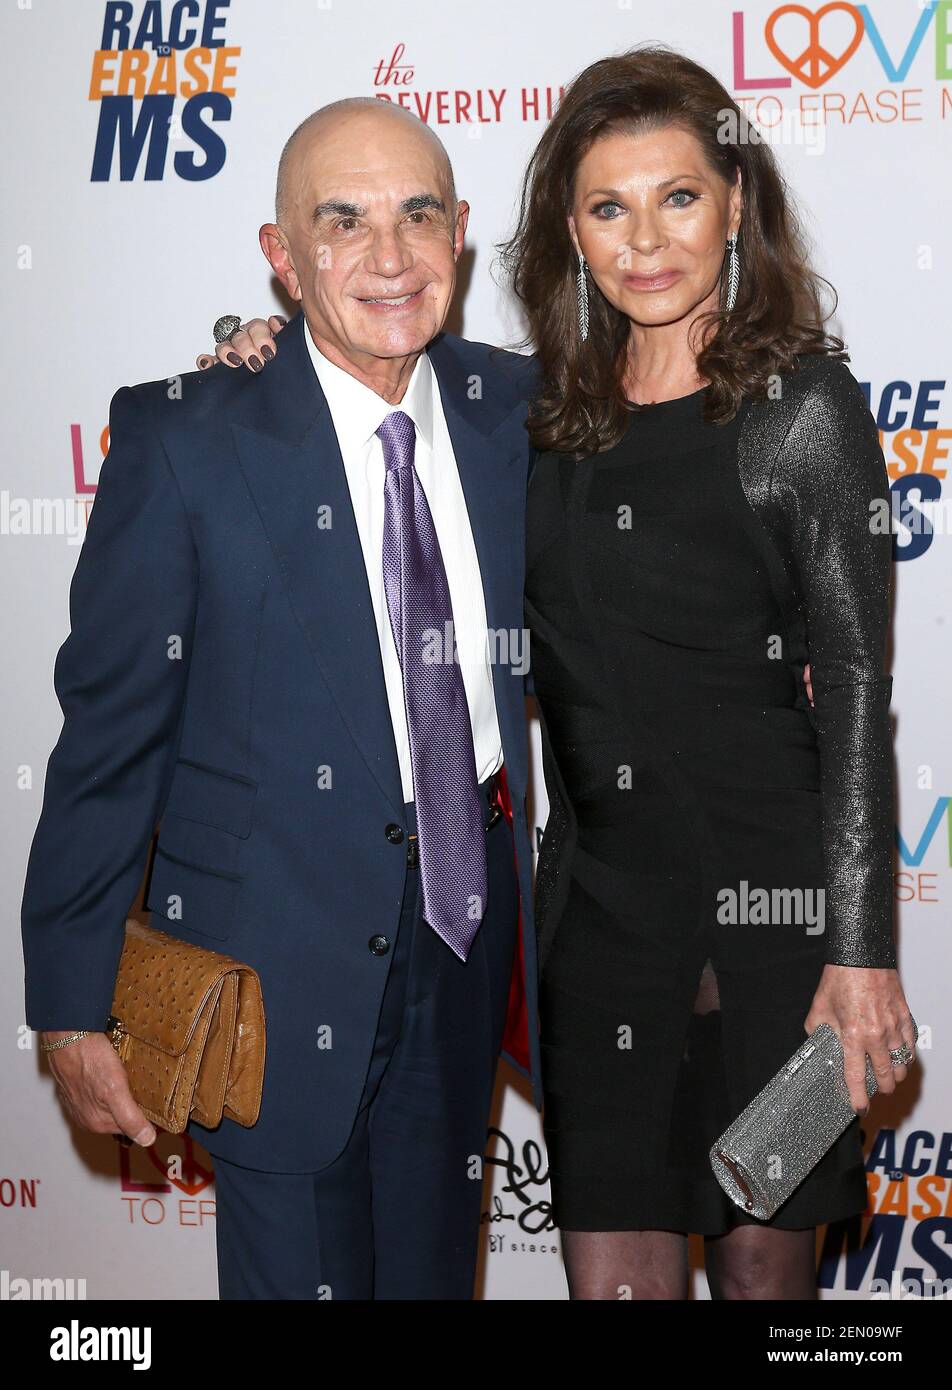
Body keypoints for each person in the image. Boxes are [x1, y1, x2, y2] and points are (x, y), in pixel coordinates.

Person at [211, 46, 916, 1301]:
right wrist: (254, 345)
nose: (646, 239)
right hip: (595, 938)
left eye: (679, 197)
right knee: (614, 1289)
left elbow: (858, 693)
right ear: (569, 233)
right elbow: (356, 388)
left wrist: (861, 958)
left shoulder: (802, 407)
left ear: (736, 204)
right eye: (607, 206)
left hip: (782, 940)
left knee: (768, 1284)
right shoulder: (533, 416)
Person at [20, 97, 541, 1300]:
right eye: (341, 221)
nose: (389, 257)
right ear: (282, 253)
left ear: (461, 232)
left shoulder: (517, 413)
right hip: (264, 973)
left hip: (465, 957)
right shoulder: (185, 438)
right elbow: (108, 735)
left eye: (418, 215)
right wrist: (68, 1004)